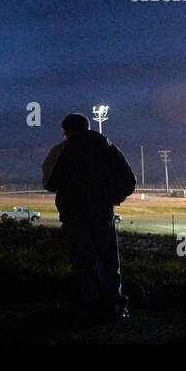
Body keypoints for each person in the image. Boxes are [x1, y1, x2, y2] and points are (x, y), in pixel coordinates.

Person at [44, 113, 137, 321]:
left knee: (82, 262)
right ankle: (114, 304)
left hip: (73, 215)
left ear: (70, 130)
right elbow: (129, 181)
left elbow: (50, 183)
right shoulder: (108, 149)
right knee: (109, 262)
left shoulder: (62, 151)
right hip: (102, 214)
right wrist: (113, 196)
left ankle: (90, 303)